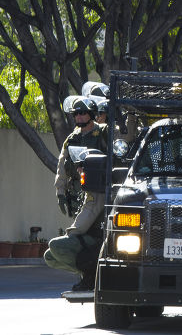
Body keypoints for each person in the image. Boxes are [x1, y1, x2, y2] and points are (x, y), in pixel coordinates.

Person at [45, 96, 108, 291]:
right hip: (81, 195)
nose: (79, 117)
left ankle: (99, 275)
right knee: (82, 241)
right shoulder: (72, 139)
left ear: (90, 114)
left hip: (100, 193)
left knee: (79, 234)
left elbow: (121, 146)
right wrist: (60, 191)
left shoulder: (104, 133)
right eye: (76, 113)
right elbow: (62, 166)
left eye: (82, 113)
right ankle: (87, 276)